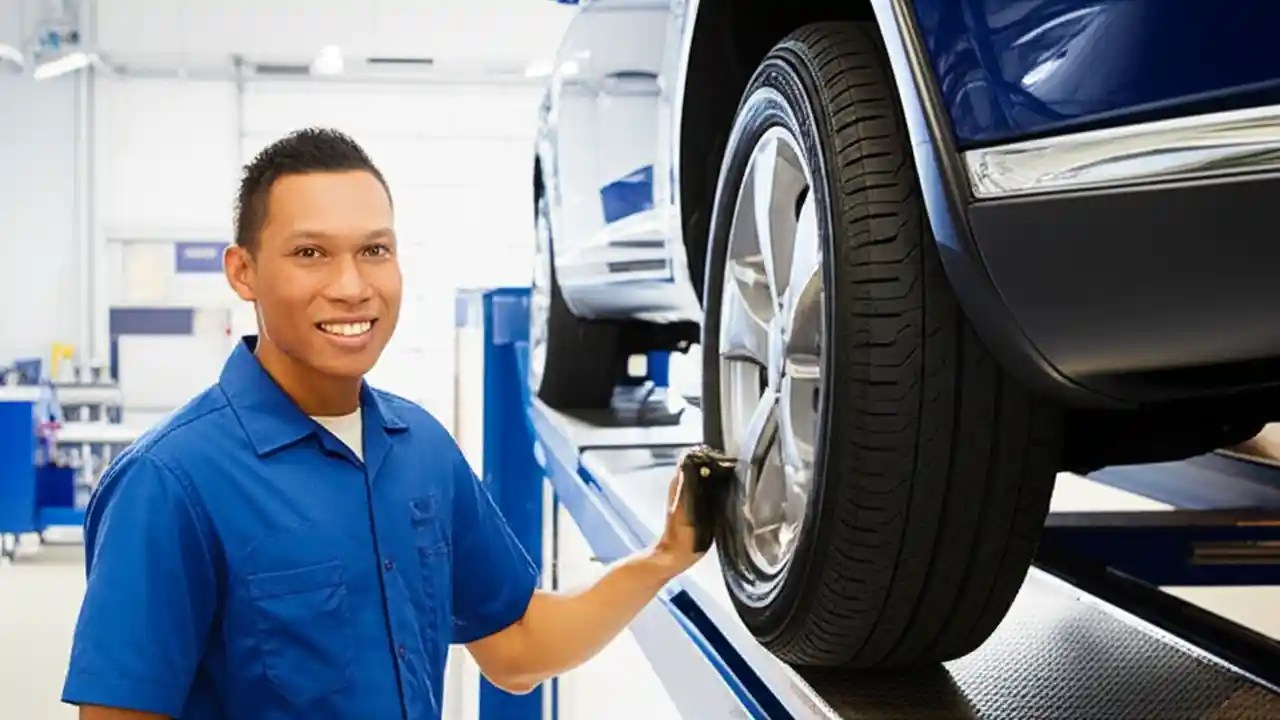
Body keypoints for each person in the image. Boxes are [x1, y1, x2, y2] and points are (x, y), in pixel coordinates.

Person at [60, 128, 705, 719]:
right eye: (310, 252)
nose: (351, 286)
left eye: (374, 250)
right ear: (243, 271)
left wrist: (661, 560)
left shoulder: (420, 449)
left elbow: (519, 649)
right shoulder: (169, 483)